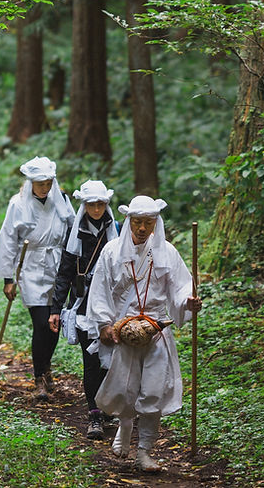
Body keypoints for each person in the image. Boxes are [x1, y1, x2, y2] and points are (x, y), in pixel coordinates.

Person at [85, 195, 202, 472]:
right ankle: (124, 427)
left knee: (153, 390)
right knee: (125, 388)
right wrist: (104, 324)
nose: (142, 228)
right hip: (124, 330)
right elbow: (99, 290)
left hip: (157, 330)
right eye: (137, 221)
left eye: (148, 222)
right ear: (128, 221)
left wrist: (188, 302)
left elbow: (182, 287)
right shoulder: (112, 252)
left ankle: (144, 452)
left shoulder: (167, 253)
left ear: (155, 223)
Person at [0, 156, 75, 400]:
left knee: (55, 324)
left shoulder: (61, 200)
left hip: (57, 266)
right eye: (40, 184)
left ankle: (46, 367)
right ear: (31, 182)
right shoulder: (18, 203)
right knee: (41, 323)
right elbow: (8, 239)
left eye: (48, 183)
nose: (45, 188)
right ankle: (39, 378)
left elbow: (73, 229)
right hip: (31, 267)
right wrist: (8, 278)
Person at [48, 180, 120, 440]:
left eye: (100, 204)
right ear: (84, 206)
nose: (96, 209)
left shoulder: (116, 230)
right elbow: (64, 273)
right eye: (91, 205)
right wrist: (56, 308)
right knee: (91, 362)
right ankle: (94, 414)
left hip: (112, 304)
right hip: (84, 306)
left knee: (109, 362)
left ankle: (107, 407)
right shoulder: (75, 234)